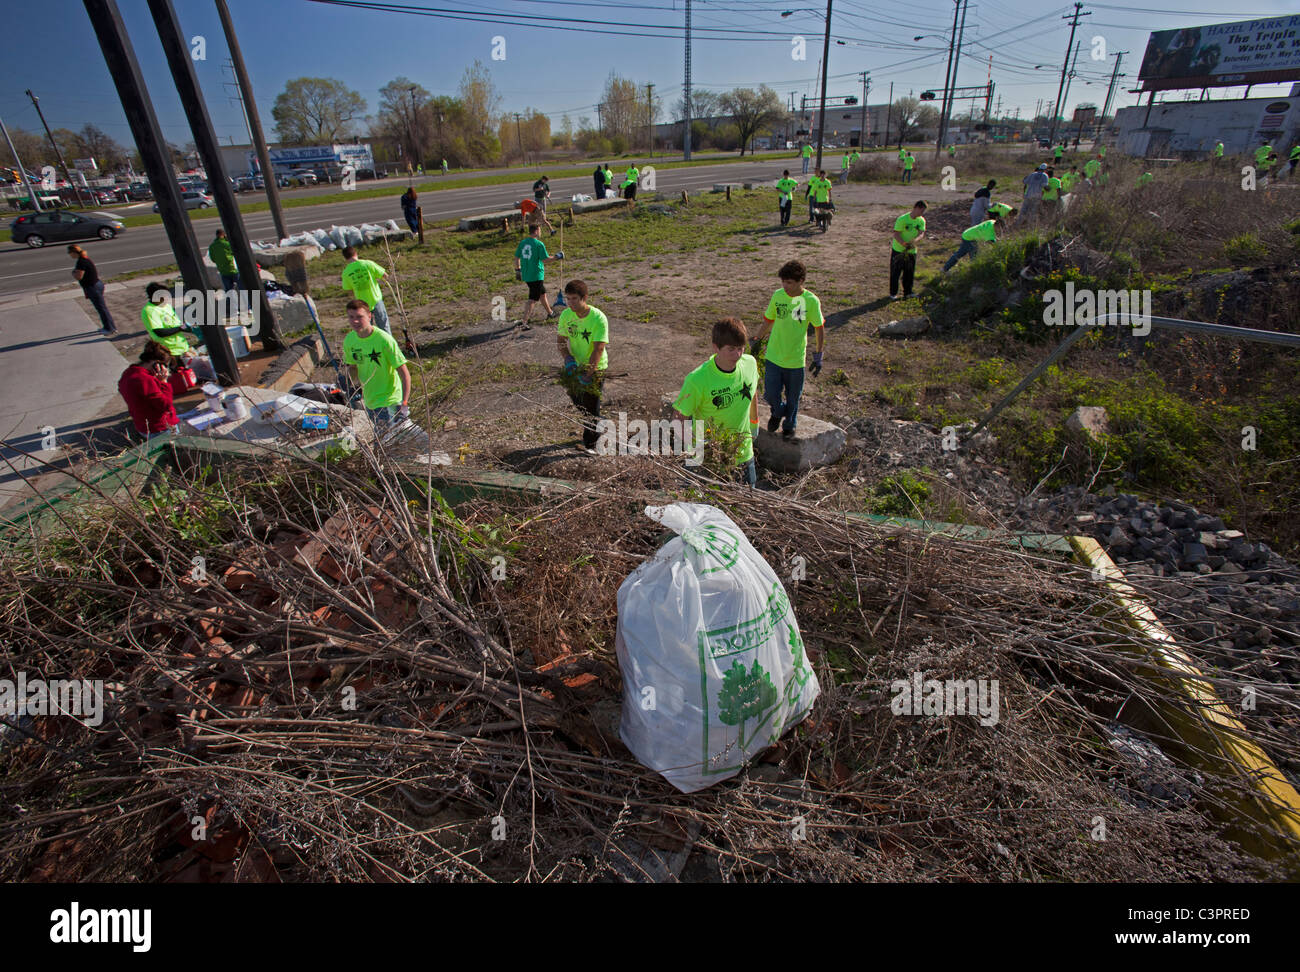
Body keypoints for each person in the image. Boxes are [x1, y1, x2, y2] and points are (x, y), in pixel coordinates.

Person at [673, 318, 760, 487]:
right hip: (707, 461)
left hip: (743, 454)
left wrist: (754, 423)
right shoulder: (697, 380)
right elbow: (677, 419)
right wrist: (700, 448)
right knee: (698, 508)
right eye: (731, 349)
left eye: (741, 348)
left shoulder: (750, 364)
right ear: (715, 347)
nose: (738, 355)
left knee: (746, 504)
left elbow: (753, 391)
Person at [749, 260, 824, 439]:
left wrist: (819, 354)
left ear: (801, 281)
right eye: (783, 282)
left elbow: (819, 327)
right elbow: (769, 320)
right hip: (774, 356)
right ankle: (777, 412)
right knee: (771, 394)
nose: (785, 286)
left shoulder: (810, 301)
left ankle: (790, 426)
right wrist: (757, 339)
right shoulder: (778, 296)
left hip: (796, 360)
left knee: (793, 398)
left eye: (789, 282)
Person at [555, 278, 608, 454]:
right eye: (568, 298)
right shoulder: (566, 315)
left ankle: (591, 445)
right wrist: (568, 358)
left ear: (585, 297)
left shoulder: (598, 318)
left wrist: (588, 374)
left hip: (596, 366)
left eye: (574, 299)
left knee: (591, 407)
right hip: (575, 365)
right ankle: (600, 422)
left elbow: (599, 348)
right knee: (576, 399)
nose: (570, 303)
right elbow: (561, 340)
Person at [342, 299, 410, 432]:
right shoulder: (349, 340)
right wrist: (348, 381)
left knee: (389, 441)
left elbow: (404, 373)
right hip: (370, 401)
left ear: (369, 316)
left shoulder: (384, 340)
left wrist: (404, 404)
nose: (355, 321)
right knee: (386, 441)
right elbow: (353, 367)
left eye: (359, 317)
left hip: (389, 400)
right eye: (351, 317)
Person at [118, 341, 178, 440]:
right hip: (159, 428)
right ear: (156, 365)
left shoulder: (129, 372)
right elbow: (166, 405)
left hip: (143, 425)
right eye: (165, 367)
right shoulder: (145, 380)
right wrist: (163, 382)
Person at [514, 222, 563, 326]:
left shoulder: (522, 243)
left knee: (542, 293)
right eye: (540, 230)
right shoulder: (538, 244)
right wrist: (557, 257)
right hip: (536, 275)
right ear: (536, 231)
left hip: (527, 275)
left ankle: (550, 313)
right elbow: (545, 260)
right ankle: (524, 322)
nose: (540, 232)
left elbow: (516, 257)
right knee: (532, 299)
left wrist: (517, 269)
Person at [340, 245, 390, 334]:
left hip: (361, 304)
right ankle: (388, 345)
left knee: (366, 329)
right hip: (376, 299)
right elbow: (385, 275)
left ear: (345, 258)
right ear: (355, 253)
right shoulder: (368, 264)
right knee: (384, 326)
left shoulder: (346, 272)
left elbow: (348, 290)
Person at [68, 245, 116, 335]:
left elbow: (79, 276)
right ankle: (108, 326)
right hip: (96, 285)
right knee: (102, 308)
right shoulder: (85, 258)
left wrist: (73, 273)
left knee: (101, 308)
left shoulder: (81, 262)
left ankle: (110, 328)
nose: (69, 255)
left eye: (69, 253)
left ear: (74, 253)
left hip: (93, 287)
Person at [889, 201, 927, 300]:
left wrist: (914, 241)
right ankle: (893, 293)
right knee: (895, 272)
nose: (921, 213)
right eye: (921, 211)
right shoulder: (902, 219)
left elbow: (921, 233)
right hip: (899, 250)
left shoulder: (921, 220)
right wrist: (904, 244)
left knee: (909, 272)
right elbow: (896, 234)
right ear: (916, 208)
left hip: (911, 251)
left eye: (923, 211)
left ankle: (908, 292)